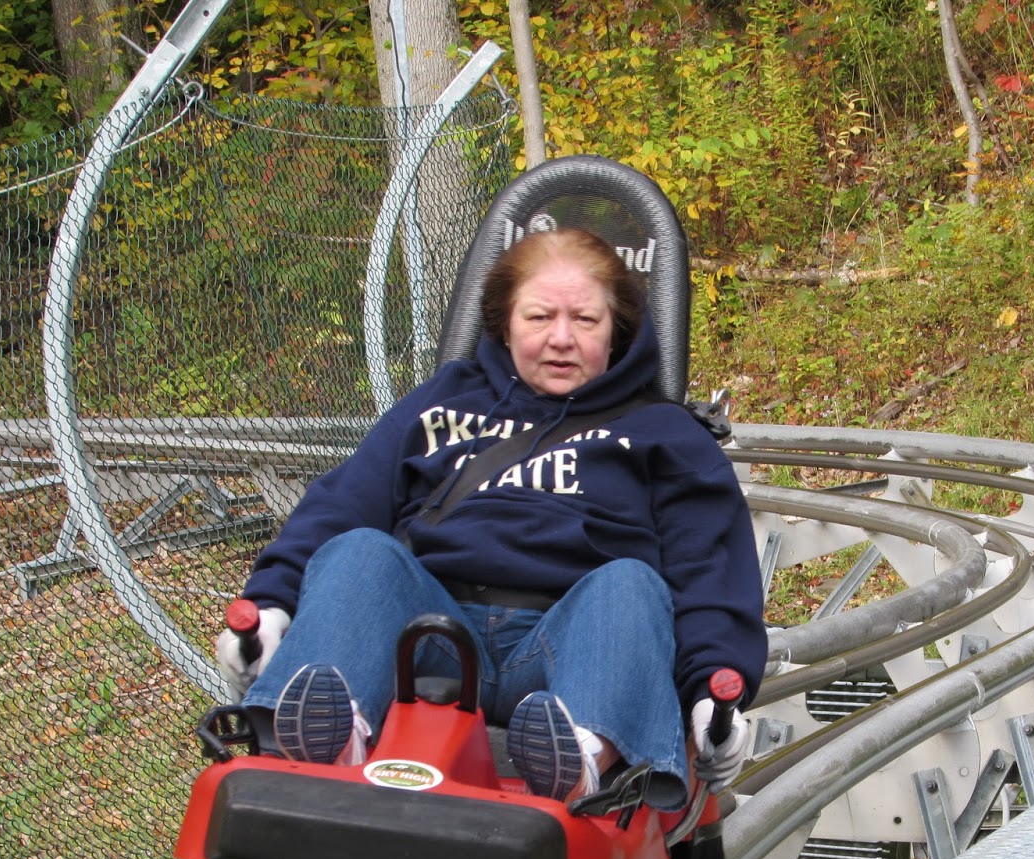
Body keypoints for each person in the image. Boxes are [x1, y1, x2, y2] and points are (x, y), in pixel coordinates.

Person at [215, 226, 766, 810]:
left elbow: (709, 566)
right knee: (360, 551)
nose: (561, 339)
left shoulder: (667, 435)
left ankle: (581, 760)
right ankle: (331, 736)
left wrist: (714, 688)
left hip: (574, 637)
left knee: (630, 584)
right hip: (428, 631)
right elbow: (341, 503)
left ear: (618, 331)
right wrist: (272, 604)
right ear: (504, 324)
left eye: (585, 320)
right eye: (538, 318)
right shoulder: (440, 404)